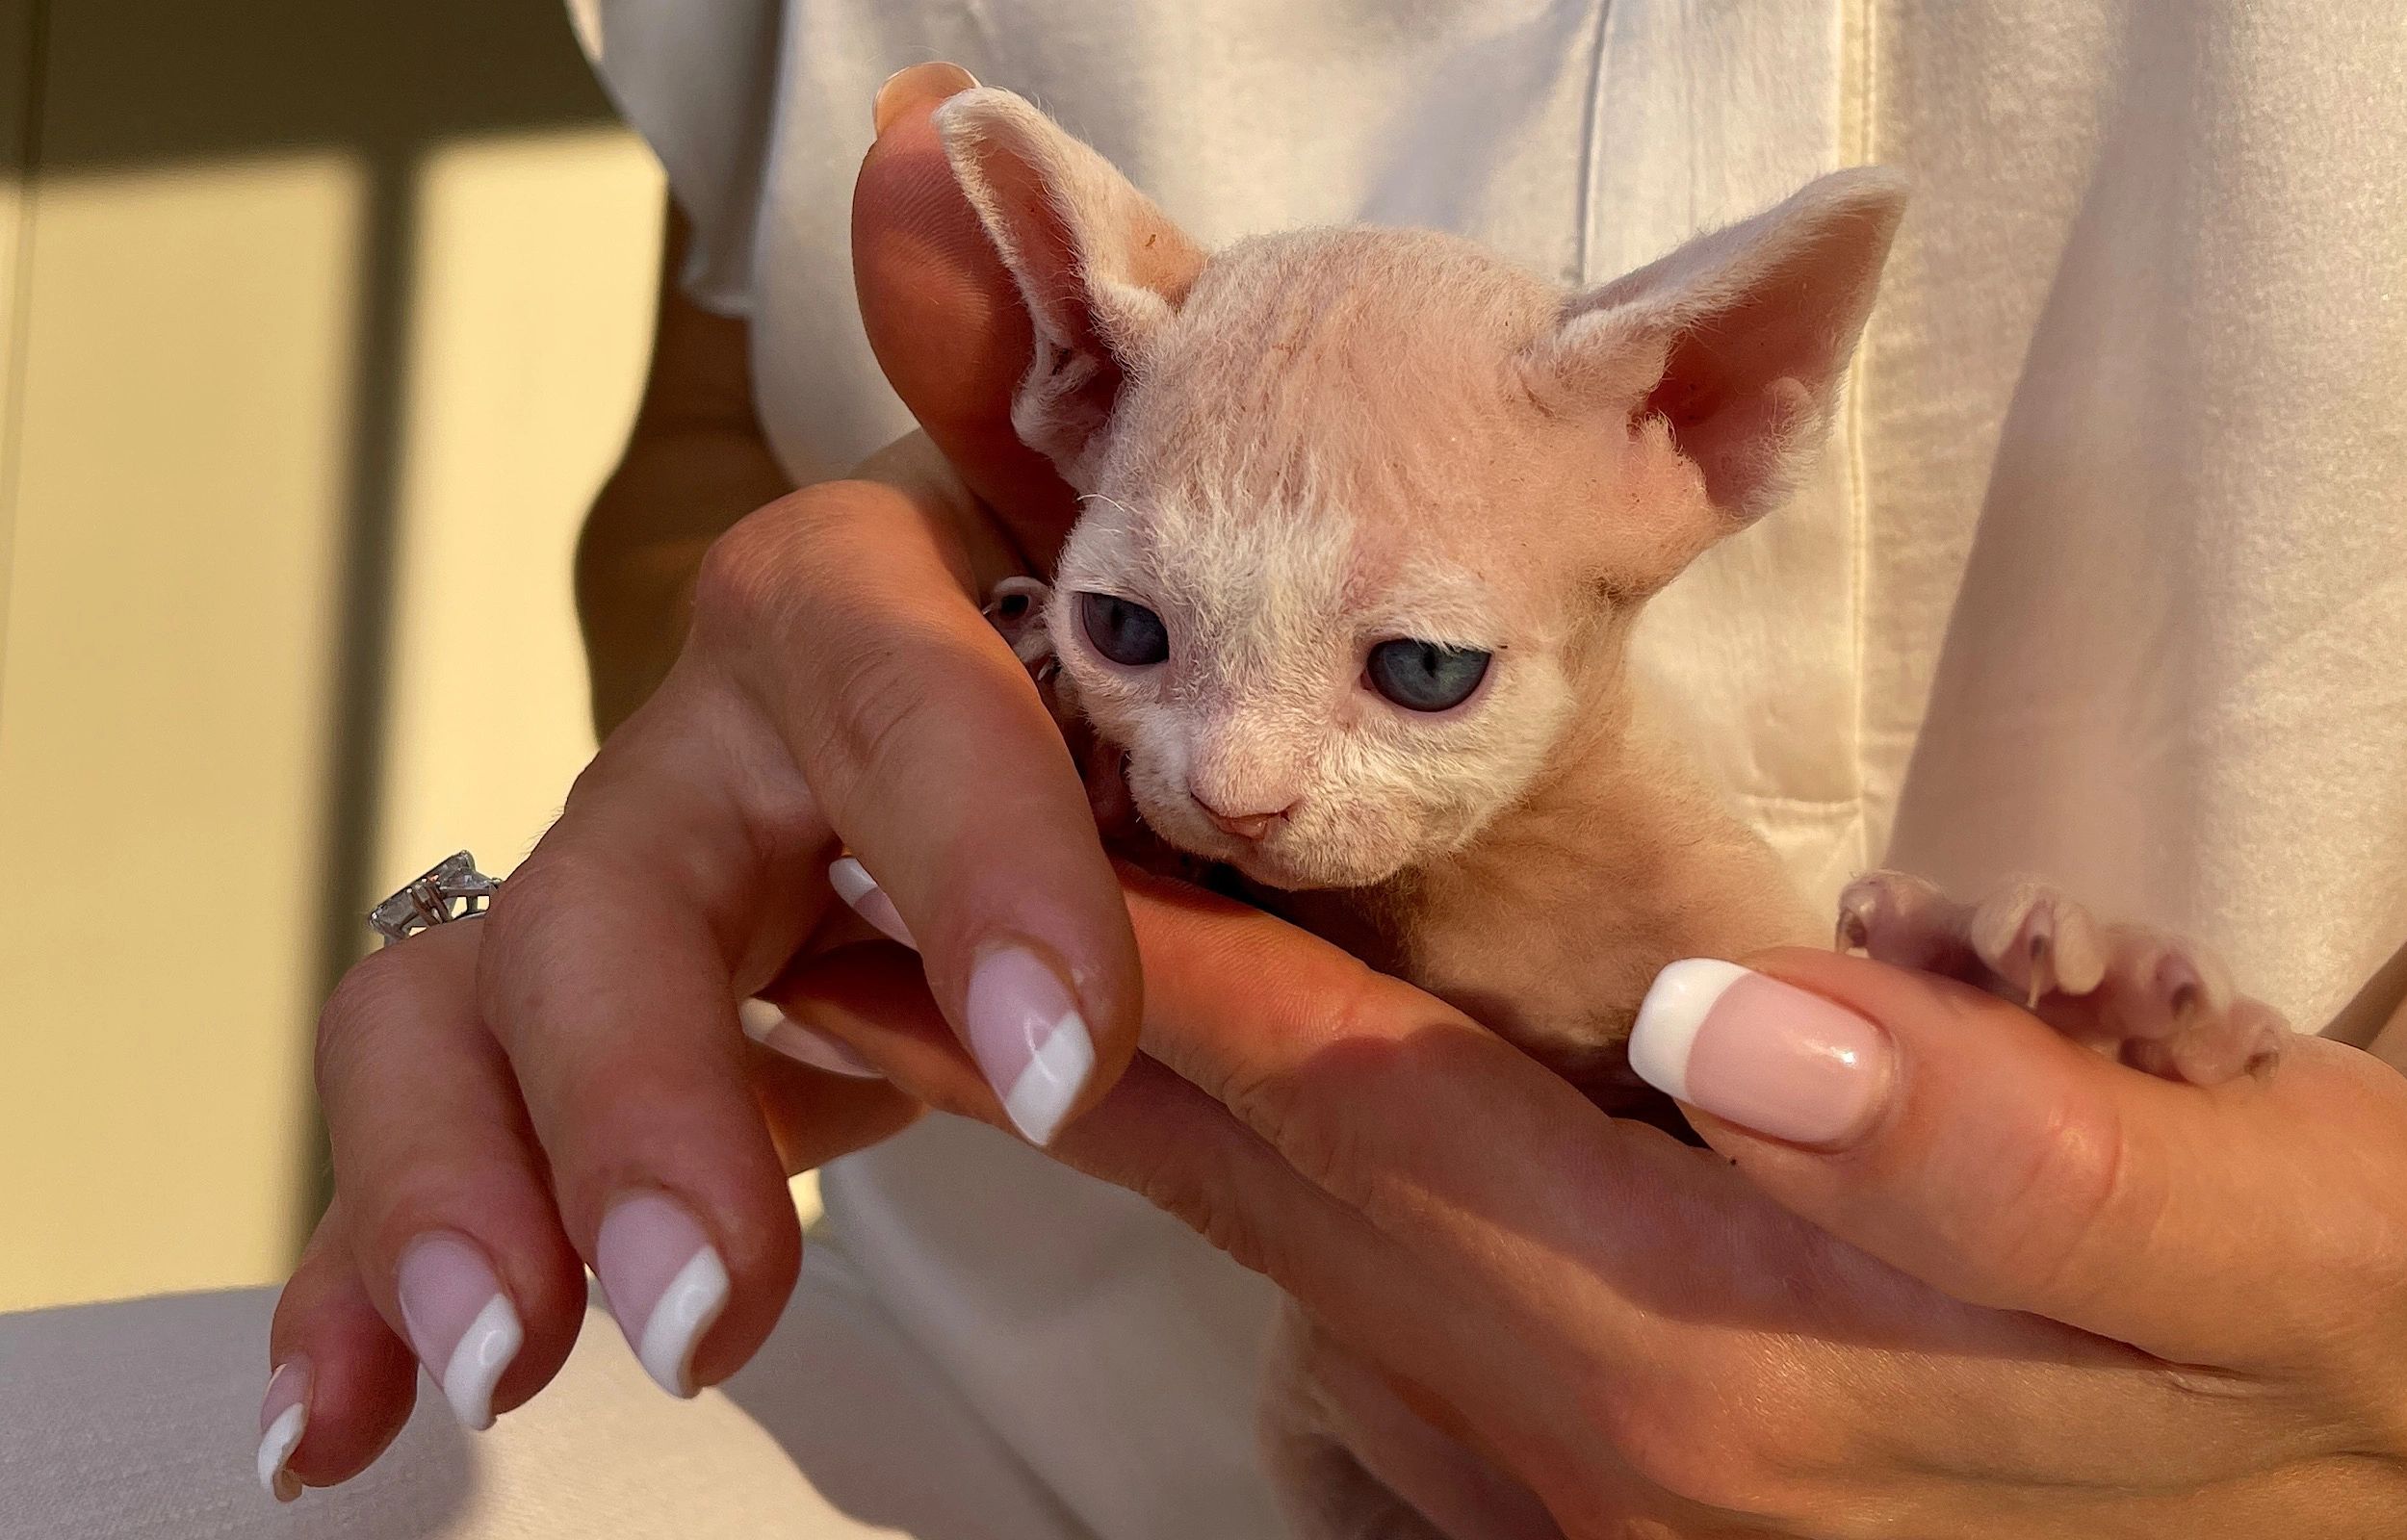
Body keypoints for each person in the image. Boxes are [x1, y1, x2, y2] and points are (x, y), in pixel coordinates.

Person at [270, 4, 2407, 1535]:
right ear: (1074, 369)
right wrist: (780, 735)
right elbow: (715, 442)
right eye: (1138, 639)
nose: (1233, 774)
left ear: (1705, 422)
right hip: (1009, 1416)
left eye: (1411, 664)